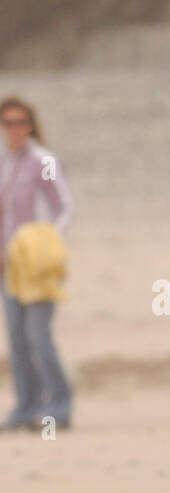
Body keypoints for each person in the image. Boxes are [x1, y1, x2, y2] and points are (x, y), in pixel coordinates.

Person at [0, 96, 73, 430]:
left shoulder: (43, 160)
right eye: (9, 122)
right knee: (16, 337)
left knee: (38, 335)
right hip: (7, 264)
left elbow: (65, 206)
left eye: (20, 122)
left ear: (30, 125)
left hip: (38, 263)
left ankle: (59, 406)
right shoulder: (4, 161)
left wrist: (42, 243)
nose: (15, 129)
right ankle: (26, 407)